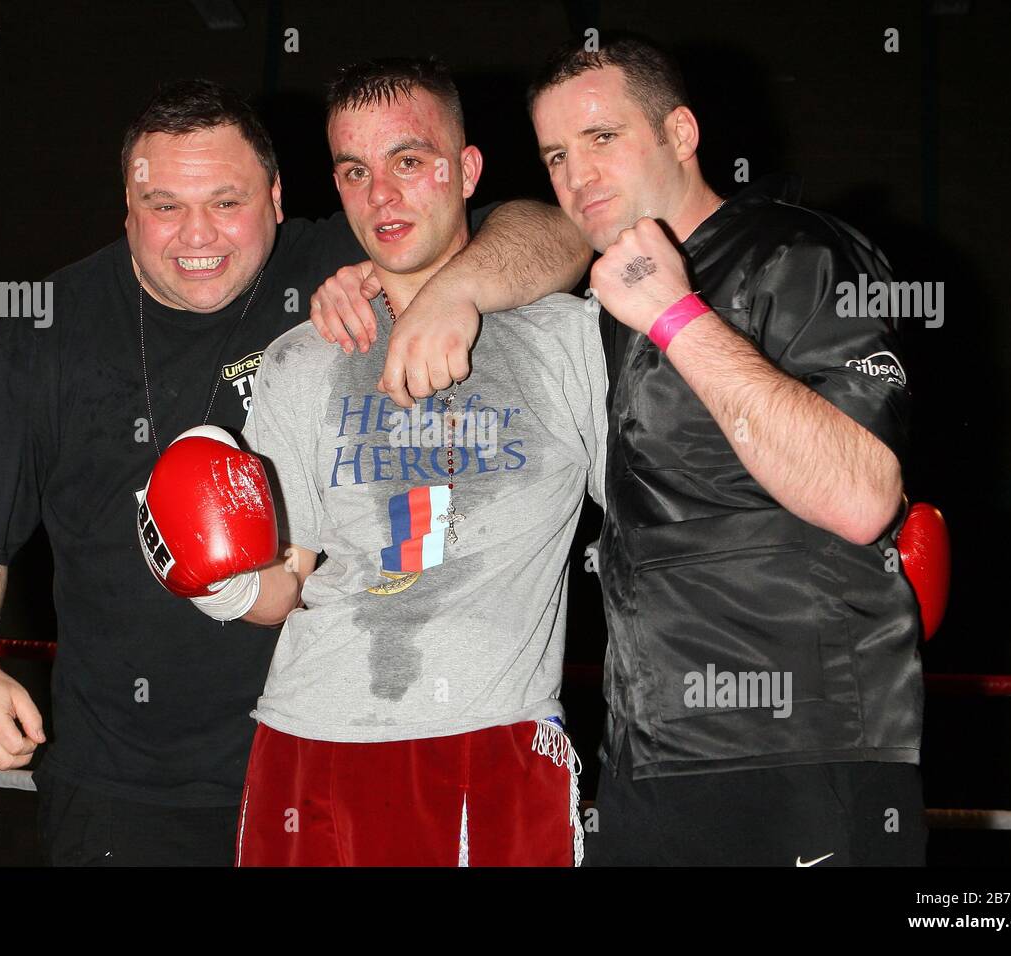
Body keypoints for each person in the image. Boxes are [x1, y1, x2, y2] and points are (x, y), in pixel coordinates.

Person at [0, 78, 590, 866]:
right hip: (128, 781)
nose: (195, 235)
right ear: (127, 208)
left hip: (320, 751)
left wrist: (459, 290)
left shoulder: (342, 257)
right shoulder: (53, 332)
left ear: (276, 199)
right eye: (164, 205)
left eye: (226, 203)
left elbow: (558, 235)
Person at [314, 36, 927, 866]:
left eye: (603, 140)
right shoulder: (603, 293)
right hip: (650, 749)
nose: (578, 176)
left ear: (681, 133)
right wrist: (387, 285)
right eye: (558, 154)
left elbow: (863, 497)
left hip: (802, 746)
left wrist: (677, 316)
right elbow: (527, 235)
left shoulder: (799, 255)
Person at [225, 57, 607, 866]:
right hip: (304, 738)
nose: (382, 195)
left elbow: (664, 519)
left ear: (468, 170)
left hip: (488, 741)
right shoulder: (299, 359)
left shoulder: (570, 340)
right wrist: (209, 575)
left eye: (409, 161)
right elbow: (280, 583)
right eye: (356, 171)